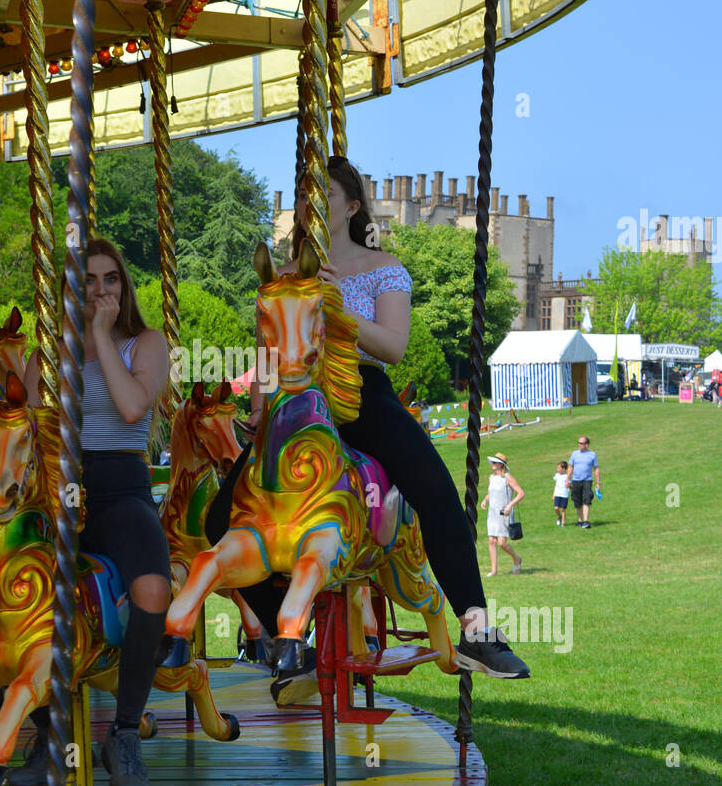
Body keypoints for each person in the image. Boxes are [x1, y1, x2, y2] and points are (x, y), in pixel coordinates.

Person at [205, 156, 530, 693]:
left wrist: (337, 308)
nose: (313, 204)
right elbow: (269, 348)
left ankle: (475, 627)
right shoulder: (286, 276)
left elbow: (394, 347)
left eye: (326, 194)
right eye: (307, 195)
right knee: (221, 519)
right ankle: (296, 641)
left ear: (352, 206)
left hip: (361, 394)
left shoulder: (381, 266)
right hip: (298, 406)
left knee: (436, 490)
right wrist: (260, 410)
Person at [17, 237, 171, 786]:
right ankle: (45, 733)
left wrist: (101, 338)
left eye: (112, 279)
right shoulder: (46, 356)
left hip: (120, 486)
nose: (102, 290)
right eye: (90, 281)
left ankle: (125, 731)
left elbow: (133, 408)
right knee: (13, 586)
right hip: (61, 487)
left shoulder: (144, 344)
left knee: (153, 588)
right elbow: (32, 435)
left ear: (124, 288)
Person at [479, 453, 523, 576]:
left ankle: (516, 558)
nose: (492, 465)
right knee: (491, 540)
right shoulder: (491, 478)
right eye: (492, 462)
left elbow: (520, 493)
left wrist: (510, 505)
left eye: (494, 462)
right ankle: (494, 570)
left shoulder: (508, 478)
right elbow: (491, 492)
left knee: (502, 542)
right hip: (492, 513)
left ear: (500, 465)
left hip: (504, 513)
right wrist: (485, 500)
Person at [568, 435, 600, 527]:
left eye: (581, 443)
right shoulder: (574, 454)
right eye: (578, 443)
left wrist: (598, 483)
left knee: (587, 500)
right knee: (577, 501)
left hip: (587, 480)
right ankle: (580, 520)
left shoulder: (592, 455)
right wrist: (567, 479)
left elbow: (596, 469)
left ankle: (586, 521)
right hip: (576, 480)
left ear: (587, 444)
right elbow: (571, 467)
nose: (579, 445)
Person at [552, 460, 570, 526]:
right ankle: (560, 516)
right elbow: (555, 485)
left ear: (564, 469)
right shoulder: (557, 475)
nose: (557, 469)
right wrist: (554, 494)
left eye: (559, 468)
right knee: (556, 508)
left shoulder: (567, 477)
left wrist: (569, 485)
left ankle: (563, 522)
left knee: (563, 509)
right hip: (557, 494)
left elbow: (570, 486)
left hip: (564, 495)